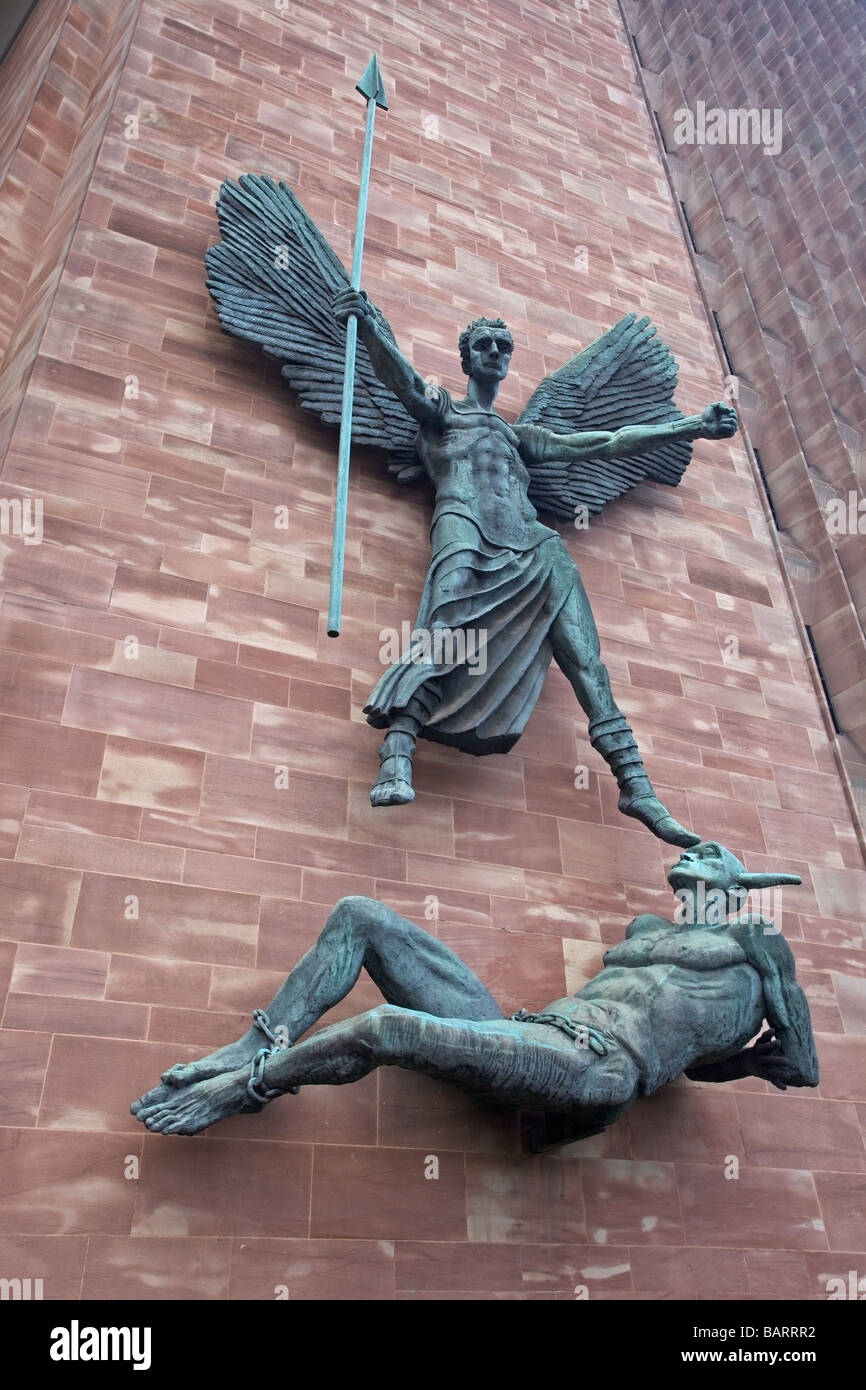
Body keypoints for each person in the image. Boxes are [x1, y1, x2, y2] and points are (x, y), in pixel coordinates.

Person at [131, 842, 817, 1141]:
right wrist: (731, 1060)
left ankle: (246, 1091)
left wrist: (750, 1062)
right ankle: (257, 1043)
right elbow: (694, 1050)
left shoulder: (760, 944)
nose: (693, 853)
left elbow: (797, 1063)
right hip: (532, 1033)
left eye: (711, 854)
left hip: (597, 1067)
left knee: (387, 1027)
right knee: (360, 914)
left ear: (737, 886)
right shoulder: (644, 929)